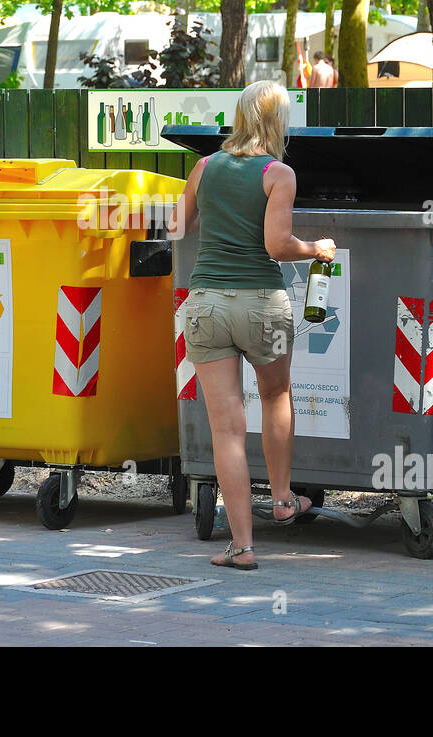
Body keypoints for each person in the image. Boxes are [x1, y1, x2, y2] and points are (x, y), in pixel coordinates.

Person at [168, 80, 336, 570]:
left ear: (239, 116)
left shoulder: (205, 167)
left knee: (227, 429)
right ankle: (282, 499)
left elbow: (176, 228)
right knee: (275, 396)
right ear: (279, 121)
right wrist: (317, 248)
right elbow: (277, 246)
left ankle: (241, 546)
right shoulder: (278, 174)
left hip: (206, 305)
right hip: (262, 305)